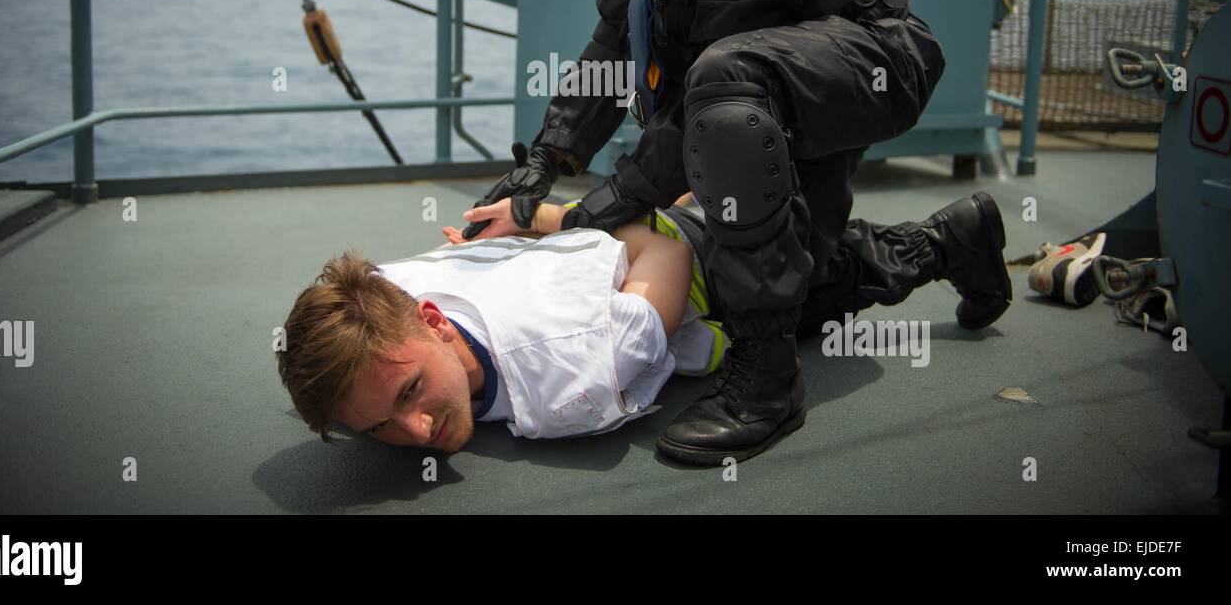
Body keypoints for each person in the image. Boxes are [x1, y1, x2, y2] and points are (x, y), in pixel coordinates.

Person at [459, 0, 1013, 465]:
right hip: (789, 71)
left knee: (723, 89)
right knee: (789, 275)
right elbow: (614, 39)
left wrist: (597, 209)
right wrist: (547, 157)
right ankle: (951, 242)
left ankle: (768, 386)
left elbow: (705, 102)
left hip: (879, 57)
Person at [274, 190, 993, 452]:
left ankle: (950, 239)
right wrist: (522, 232)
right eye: (376, 429)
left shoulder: (575, 375)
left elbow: (666, 250)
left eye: (408, 397)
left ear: (432, 322)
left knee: (830, 283)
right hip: (608, 242)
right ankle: (952, 233)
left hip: (703, 262)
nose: (417, 433)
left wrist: (546, 216)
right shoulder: (385, 292)